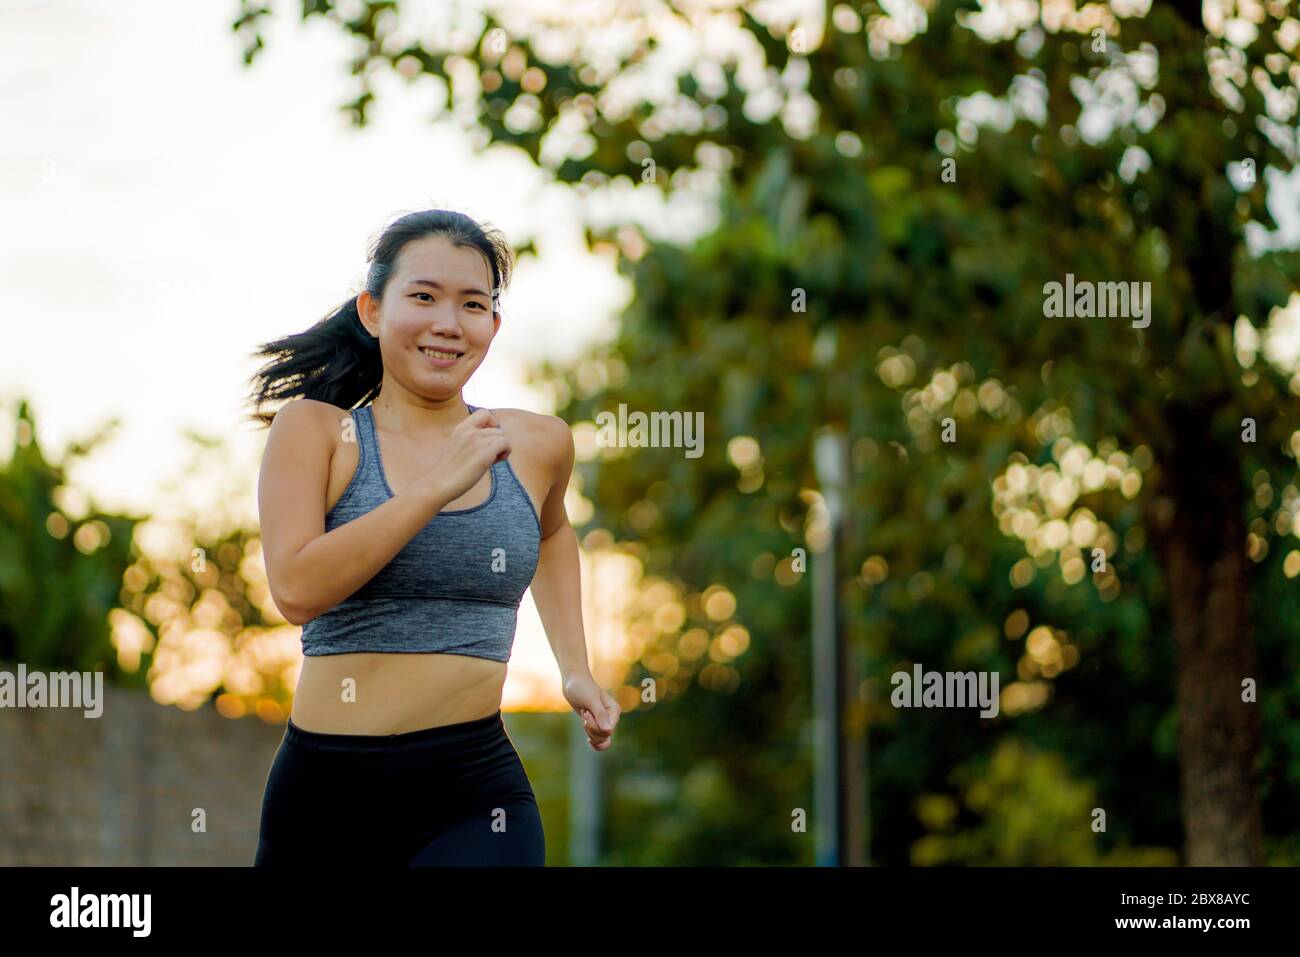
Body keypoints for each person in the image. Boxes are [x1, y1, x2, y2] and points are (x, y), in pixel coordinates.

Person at [245, 208, 620, 866]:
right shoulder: (316, 433)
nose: (449, 323)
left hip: (473, 791)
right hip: (326, 797)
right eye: (423, 296)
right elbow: (297, 588)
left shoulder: (534, 443)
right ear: (372, 311)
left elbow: (554, 533)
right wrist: (433, 486)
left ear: (492, 327)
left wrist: (576, 669)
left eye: (472, 304)